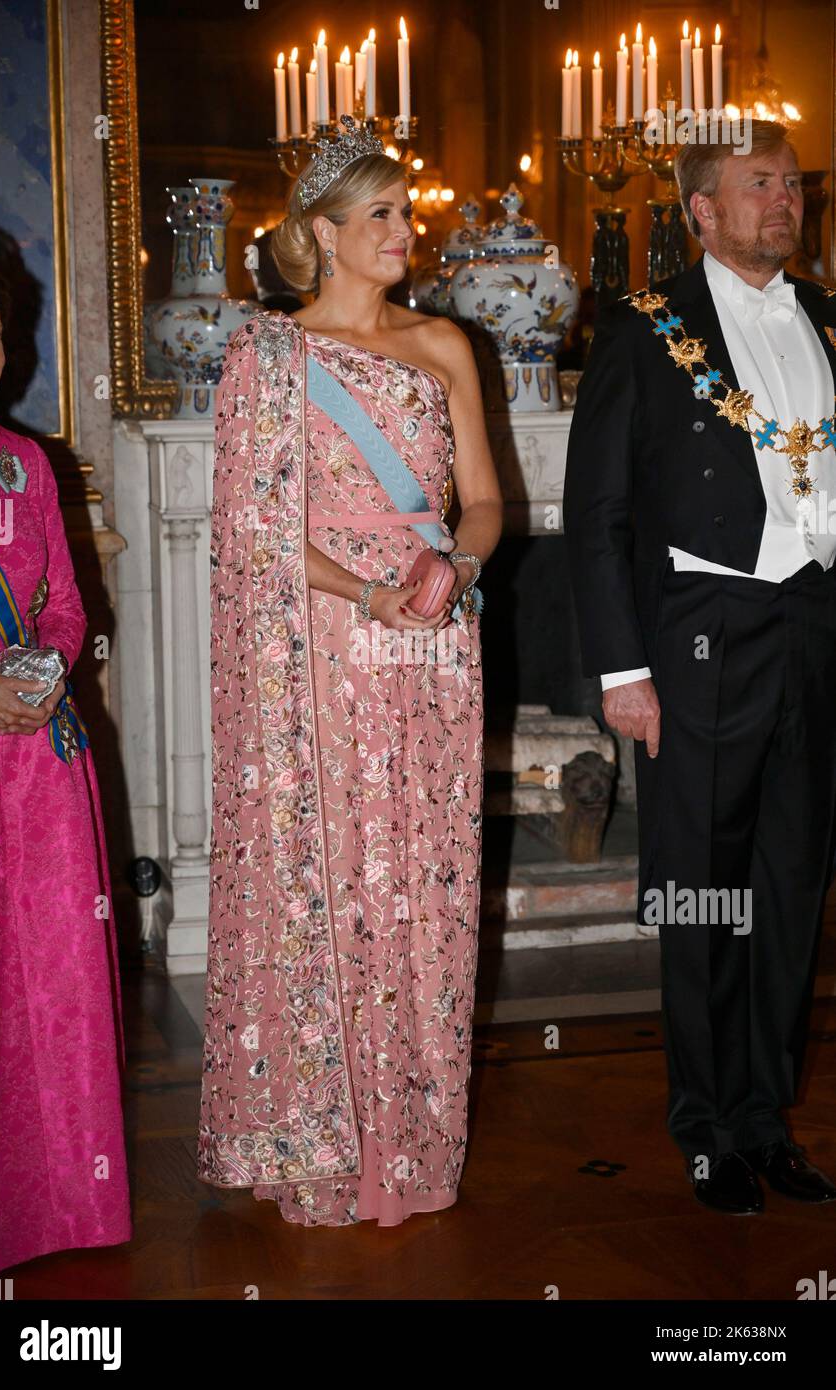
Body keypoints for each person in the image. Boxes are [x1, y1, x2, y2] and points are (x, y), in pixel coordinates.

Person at [198, 116, 502, 1226]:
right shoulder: (265, 354)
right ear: (321, 235)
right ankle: (326, 1136)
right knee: (334, 869)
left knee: (422, 876)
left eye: (403, 209)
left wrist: (453, 570)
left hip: (433, 641)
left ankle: (413, 1133)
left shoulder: (444, 346)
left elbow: (483, 498)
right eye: (378, 212)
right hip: (324, 641)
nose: (401, 228)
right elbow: (253, 530)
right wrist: (370, 591)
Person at [563, 119, 836, 1215]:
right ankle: (704, 1123)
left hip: (812, 627)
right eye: (756, 183)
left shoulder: (825, 316)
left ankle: (765, 1116)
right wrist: (619, 668)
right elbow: (594, 515)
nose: (782, 200)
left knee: (787, 885)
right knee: (703, 890)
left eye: (791, 184)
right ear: (700, 208)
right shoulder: (643, 325)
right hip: (699, 631)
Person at [0, 229, 131, 1276]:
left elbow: (69, 604)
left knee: (49, 981)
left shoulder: (26, 463)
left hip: (33, 763)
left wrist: (42, 671)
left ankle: (63, 1203)